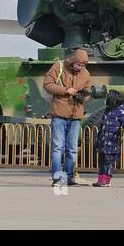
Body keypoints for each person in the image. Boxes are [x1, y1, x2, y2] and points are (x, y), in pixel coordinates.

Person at [43, 48, 92, 187]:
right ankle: (57, 178)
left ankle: (69, 177)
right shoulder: (58, 67)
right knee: (58, 147)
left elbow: (87, 93)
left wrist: (82, 96)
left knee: (71, 149)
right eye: (78, 65)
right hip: (59, 113)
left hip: (76, 115)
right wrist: (65, 91)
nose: (80, 67)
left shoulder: (85, 74)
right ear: (73, 61)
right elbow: (48, 85)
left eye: (83, 65)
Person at [93, 91, 124, 187]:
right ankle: (100, 180)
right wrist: (97, 141)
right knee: (101, 162)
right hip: (103, 142)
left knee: (108, 163)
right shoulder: (106, 110)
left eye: (108, 98)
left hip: (112, 144)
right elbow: (102, 125)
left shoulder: (121, 112)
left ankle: (106, 180)